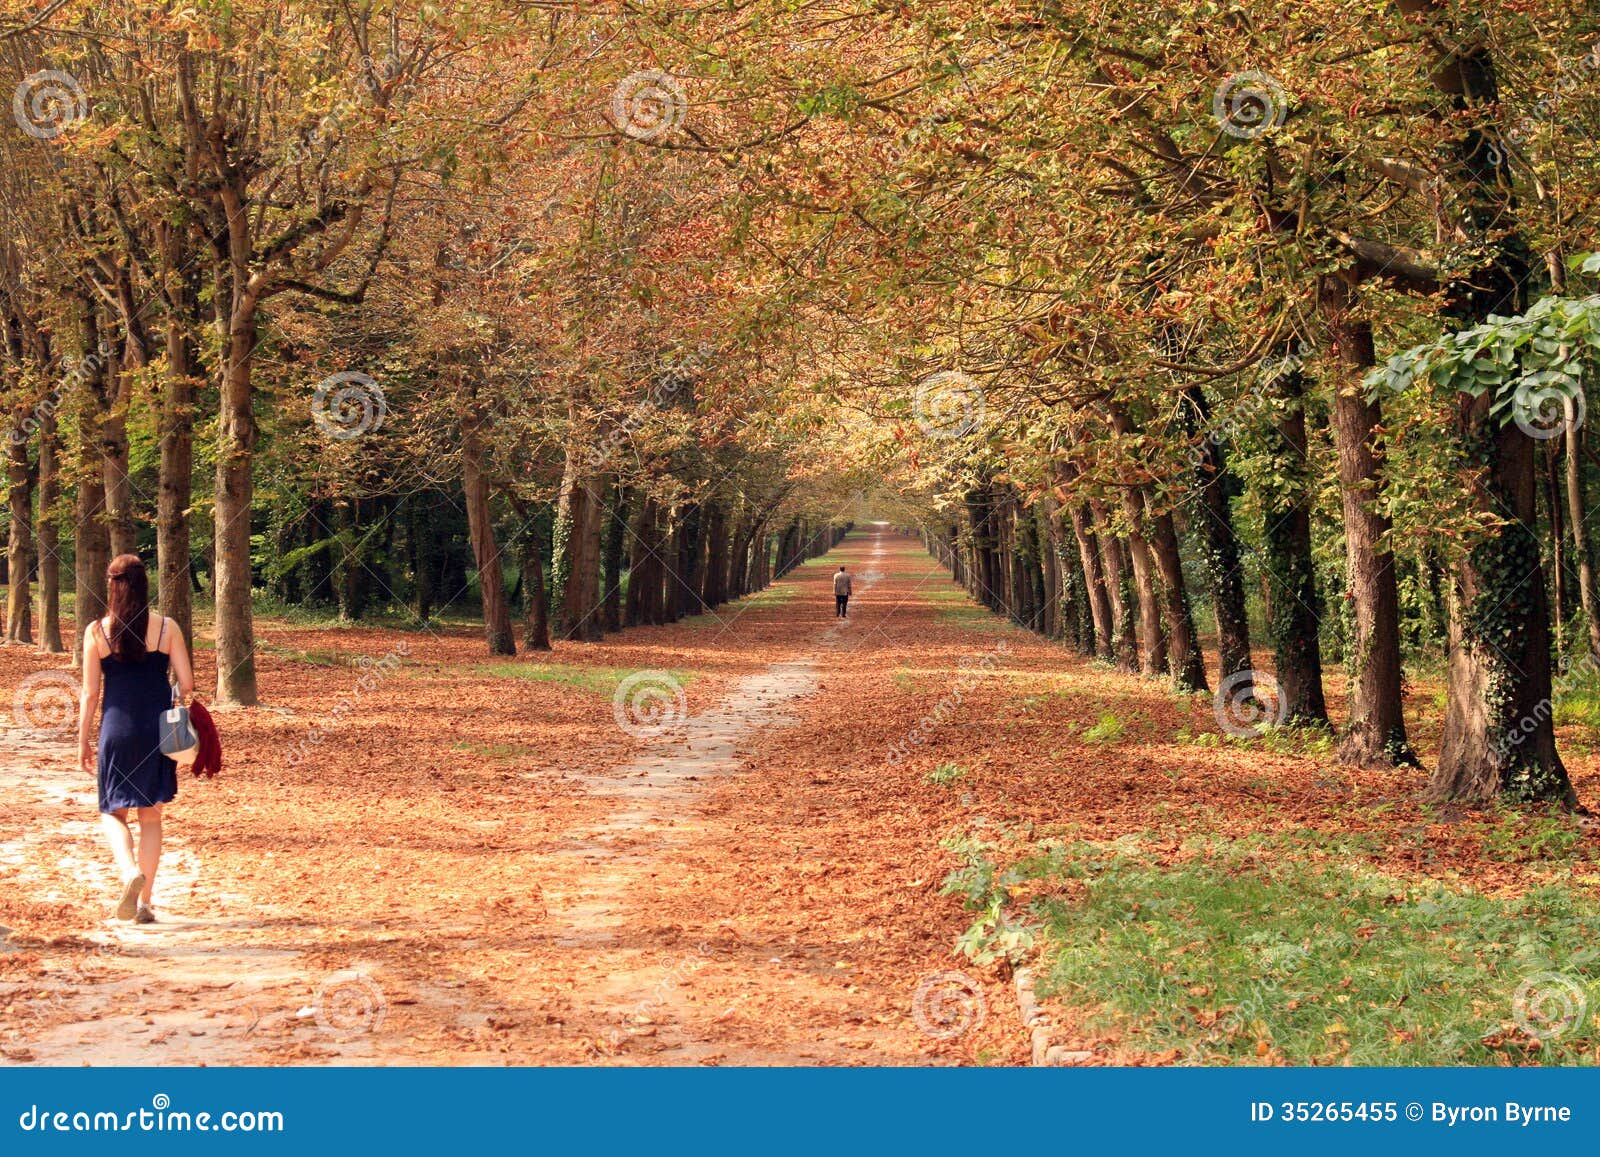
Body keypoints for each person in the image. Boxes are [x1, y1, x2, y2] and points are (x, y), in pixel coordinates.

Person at [77, 554, 195, 924]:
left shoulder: (97, 631)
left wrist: (82, 740)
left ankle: (129, 871)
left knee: (112, 811)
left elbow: (90, 694)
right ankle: (144, 904)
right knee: (152, 818)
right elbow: (188, 684)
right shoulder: (167, 628)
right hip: (157, 731)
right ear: (145, 584)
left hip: (116, 730)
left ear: (111, 585)